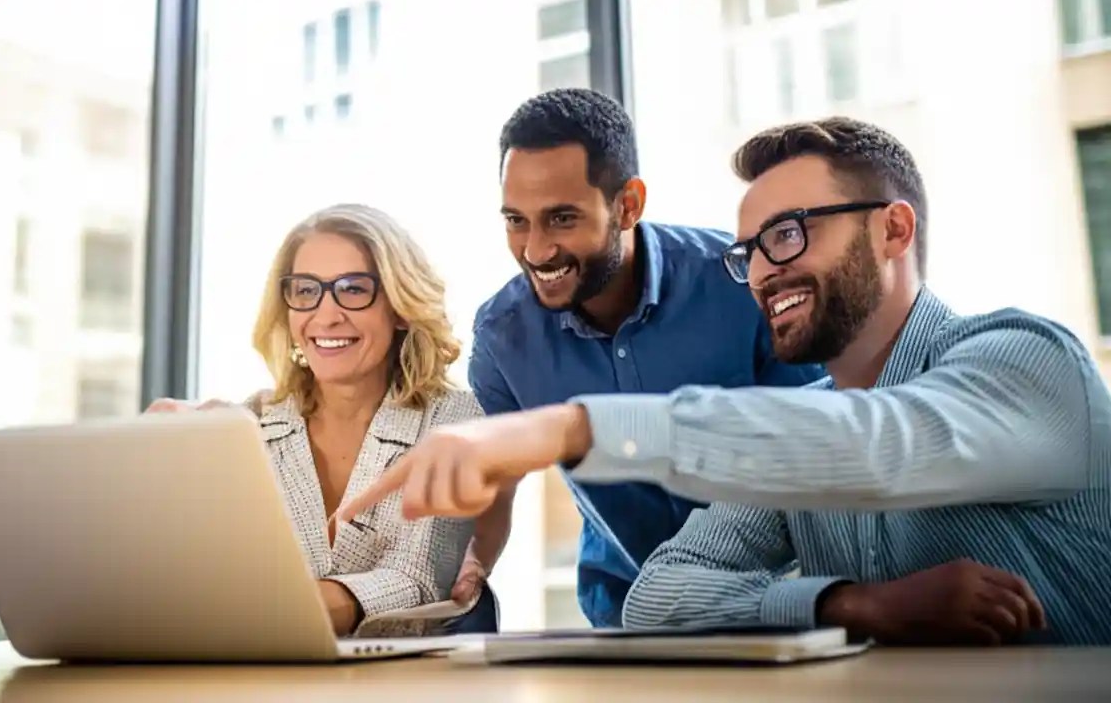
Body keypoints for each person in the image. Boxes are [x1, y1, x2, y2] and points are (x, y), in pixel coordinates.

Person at [337, 117, 1111, 646]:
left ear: (893, 229)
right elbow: (657, 596)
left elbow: (878, 446)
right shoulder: (800, 429)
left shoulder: (1029, 362)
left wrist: (571, 428)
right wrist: (855, 604)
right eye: (752, 252)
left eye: (788, 233)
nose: (766, 271)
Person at [451, 88, 822, 626]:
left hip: (777, 605)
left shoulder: (742, 285)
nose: (534, 250)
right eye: (516, 220)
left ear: (628, 205)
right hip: (627, 613)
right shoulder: (503, 337)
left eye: (561, 219)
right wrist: (471, 562)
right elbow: (496, 483)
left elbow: (816, 441)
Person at [149, 203, 481, 637]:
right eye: (306, 291)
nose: (326, 315)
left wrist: (255, 609)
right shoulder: (246, 427)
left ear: (399, 307)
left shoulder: (456, 419)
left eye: (353, 289)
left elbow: (416, 582)